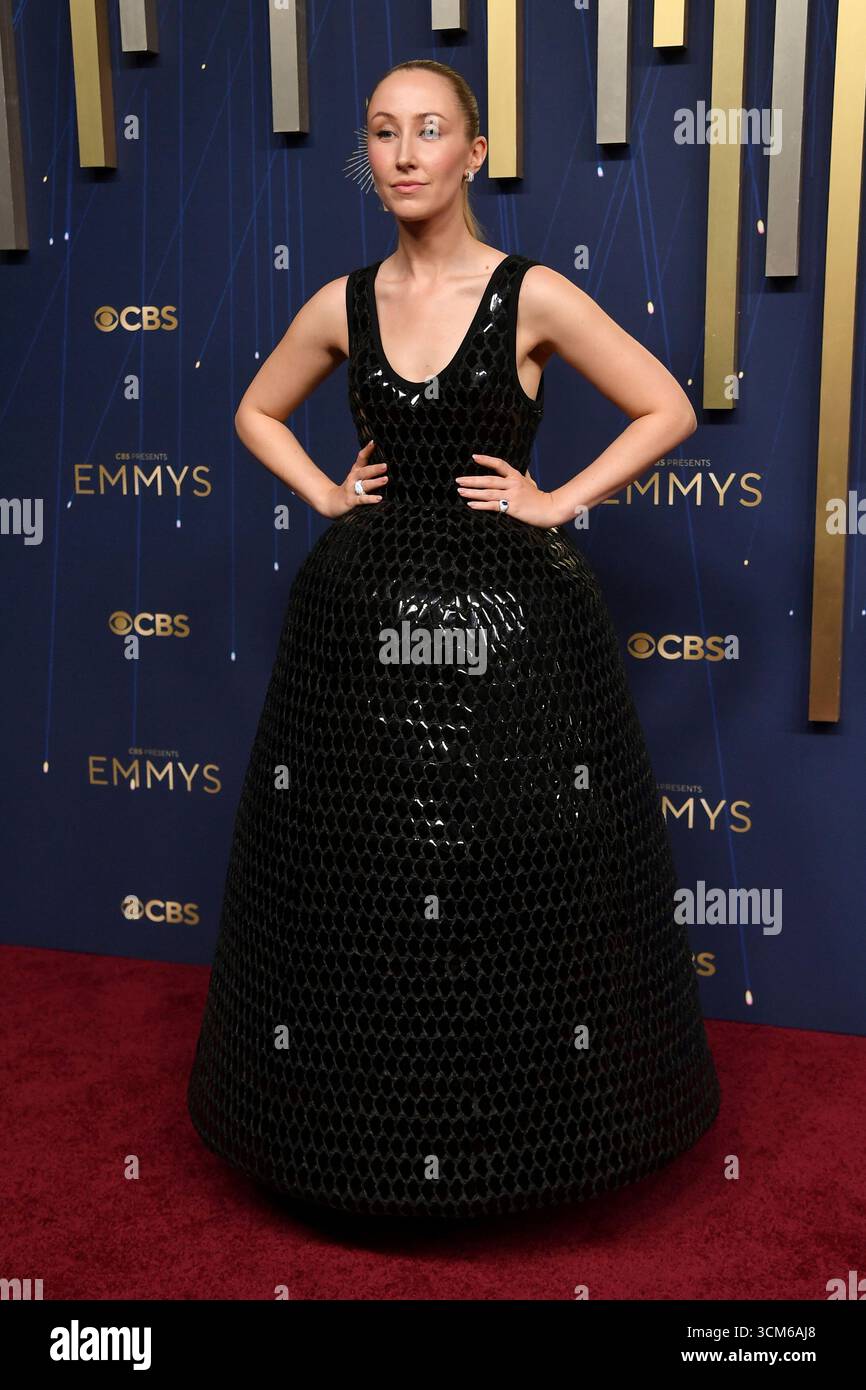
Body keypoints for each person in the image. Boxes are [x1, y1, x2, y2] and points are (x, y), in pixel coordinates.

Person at [187, 58, 721, 1220]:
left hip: (510, 644)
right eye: (382, 132)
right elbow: (253, 410)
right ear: (367, 158)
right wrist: (326, 496)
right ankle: (351, 1142)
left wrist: (553, 498)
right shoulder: (339, 302)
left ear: (472, 153)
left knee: (508, 882)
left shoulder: (527, 293)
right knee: (363, 884)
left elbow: (666, 405)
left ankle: (510, 1142)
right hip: (360, 640)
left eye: (430, 129)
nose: (405, 151)